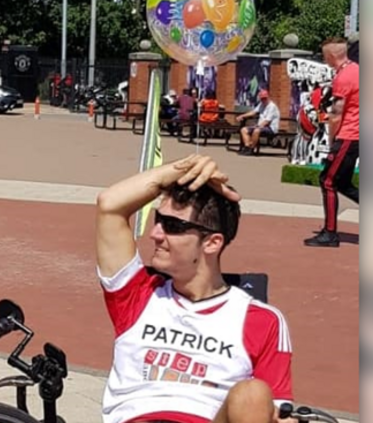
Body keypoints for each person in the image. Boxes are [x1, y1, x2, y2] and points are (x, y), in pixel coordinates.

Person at [95, 154, 295, 423]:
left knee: (253, 394)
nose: (155, 234)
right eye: (157, 219)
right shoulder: (138, 294)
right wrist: (182, 170)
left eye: (173, 226)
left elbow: (278, 411)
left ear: (212, 243)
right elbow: (109, 205)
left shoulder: (263, 321)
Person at [305, 37, 359, 248]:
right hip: (356, 135)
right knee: (343, 183)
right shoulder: (356, 70)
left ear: (331, 55)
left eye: (324, 55)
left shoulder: (343, 77)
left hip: (347, 134)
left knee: (327, 180)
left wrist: (332, 138)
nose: (324, 59)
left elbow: (336, 114)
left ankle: (330, 233)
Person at [236, 90, 280, 155]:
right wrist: (242, 116)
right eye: (262, 98)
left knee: (256, 130)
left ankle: (251, 149)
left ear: (268, 97)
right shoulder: (261, 104)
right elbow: (253, 112)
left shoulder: (272, 107)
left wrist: (258, 126)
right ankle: (247, 147)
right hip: (260, 126)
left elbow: (267, 121)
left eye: (265, 98)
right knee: (243, 130)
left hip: (270, 128)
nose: (263, 100)